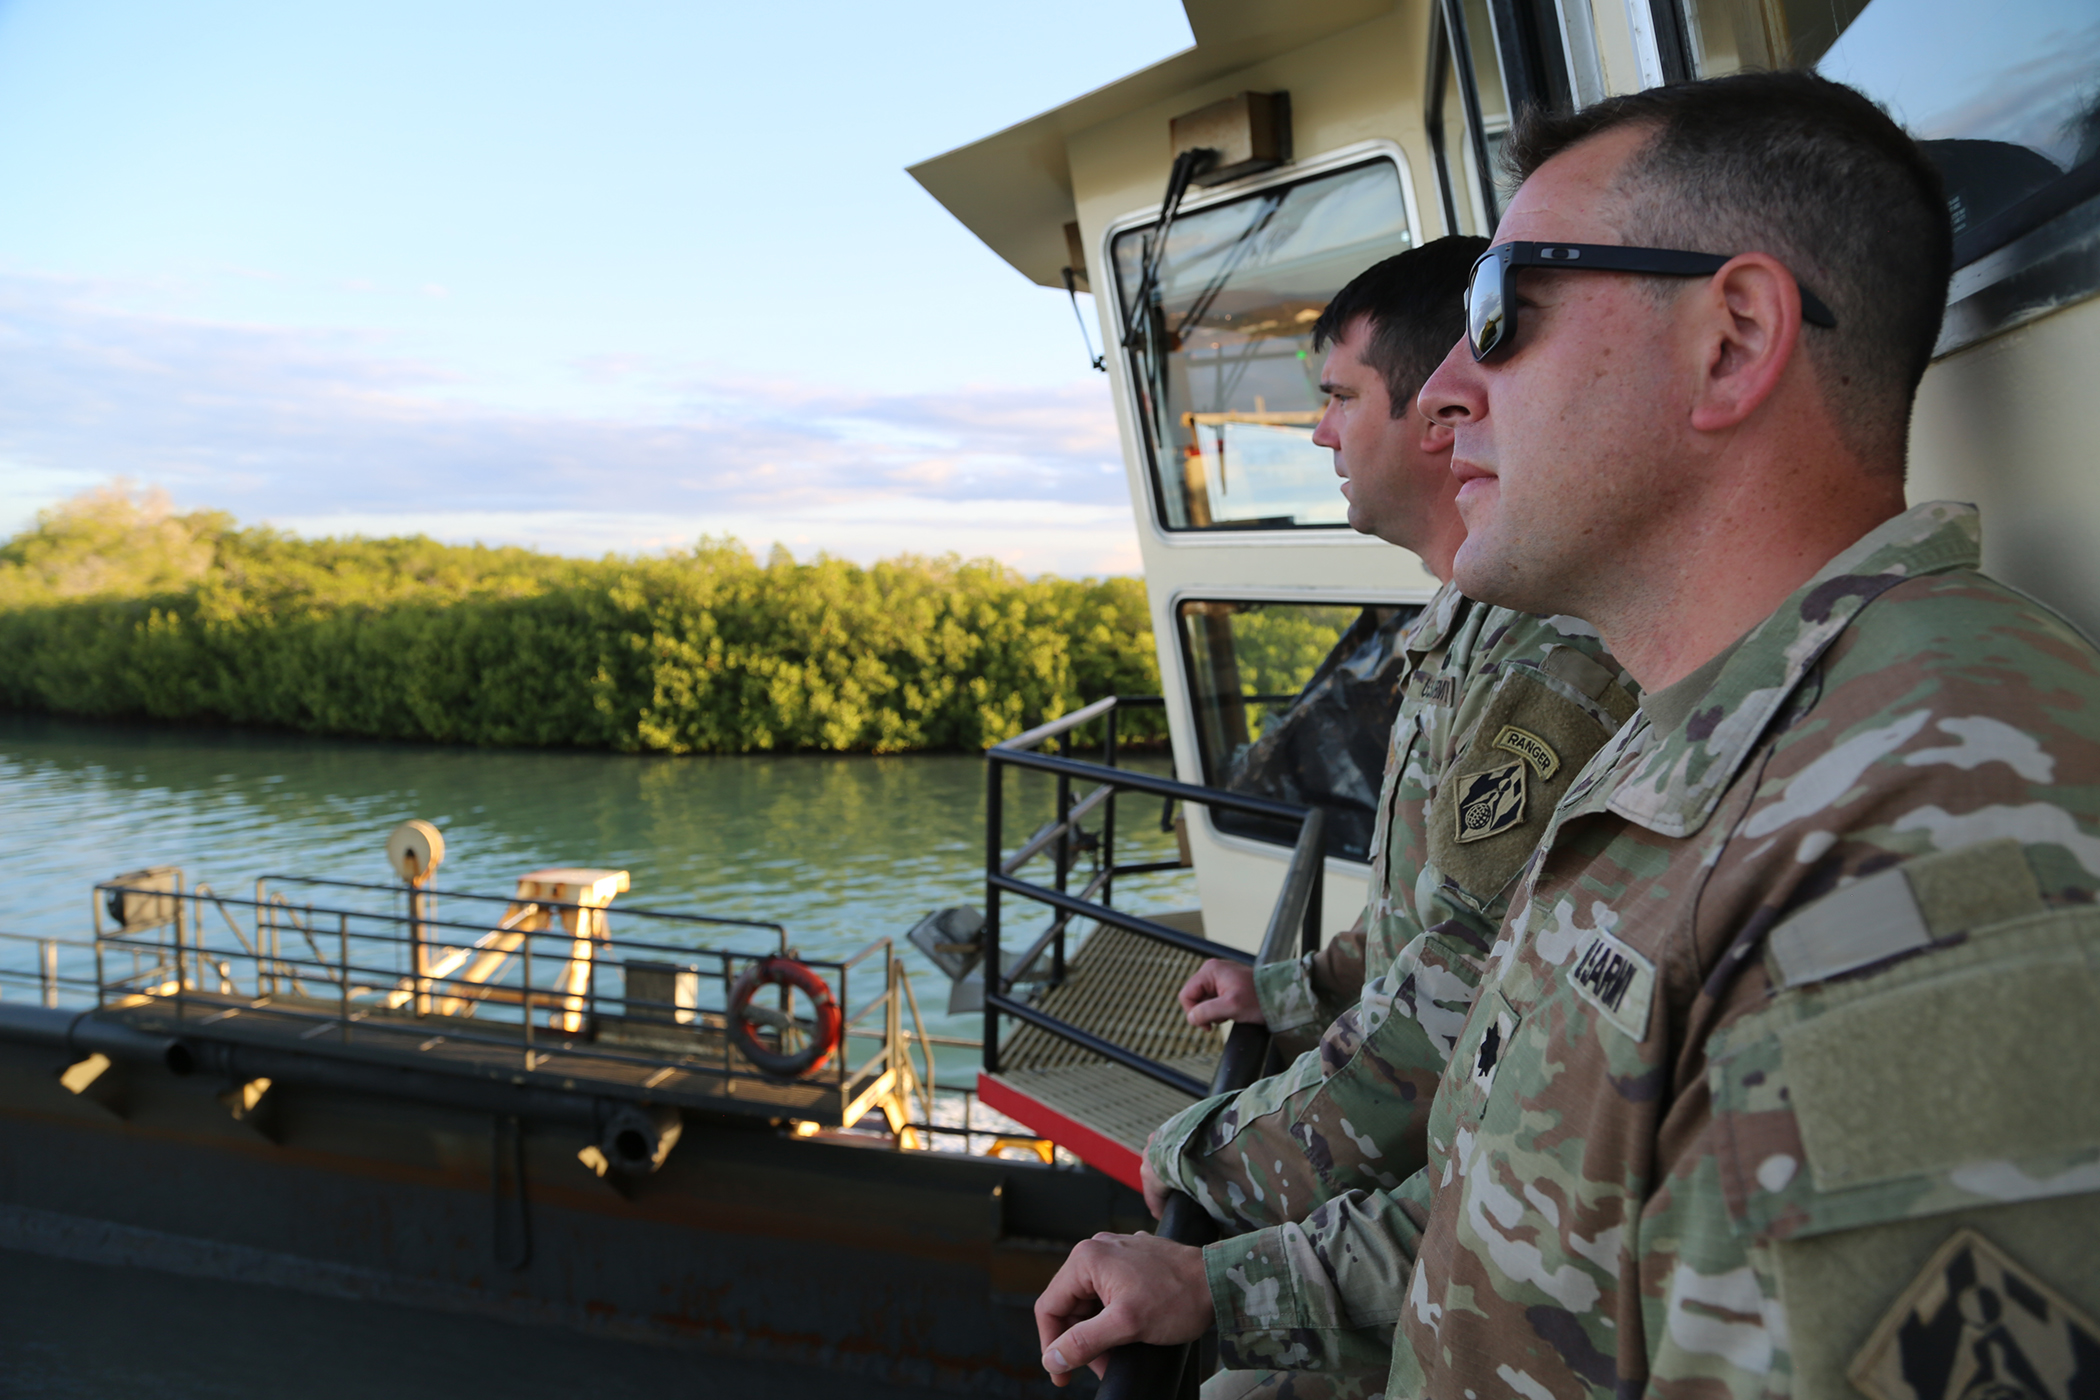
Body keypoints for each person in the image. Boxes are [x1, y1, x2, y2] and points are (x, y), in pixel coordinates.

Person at [1035, 69, 2100, 1400]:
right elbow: (1531, 1227)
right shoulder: (1690, 753)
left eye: (1503, 313)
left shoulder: (1924, 834)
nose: (1446, 393)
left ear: (1731, 341)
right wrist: (1223, 1287)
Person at [1142, 238, 1639, 1272]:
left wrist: (1213, 1159)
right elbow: (1426, 904)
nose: (1319, 431)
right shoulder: (1465, 619)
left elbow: (1454, 985)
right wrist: (1287, 990)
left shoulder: (1544, 649)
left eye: (1339, 396)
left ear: (1435, 416)